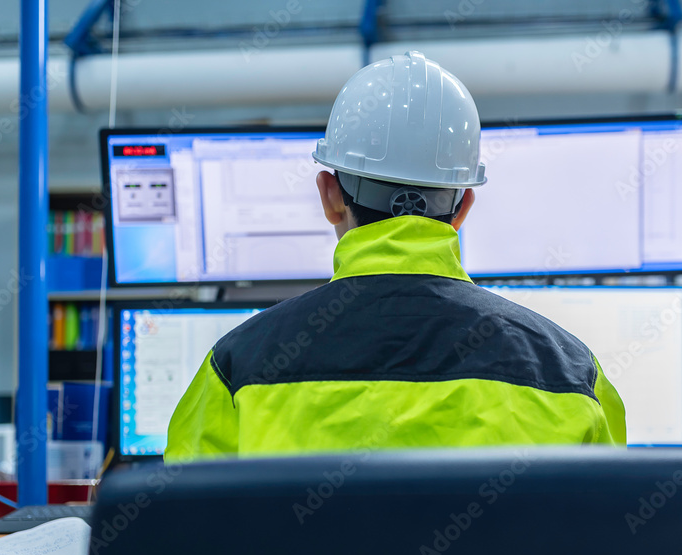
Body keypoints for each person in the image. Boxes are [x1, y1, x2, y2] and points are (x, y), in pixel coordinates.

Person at [164, 51, 625, 462]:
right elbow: (609, 539)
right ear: (463, 207)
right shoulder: (573, 375)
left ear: (329, 196)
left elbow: (183, 540)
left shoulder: (234, 370)